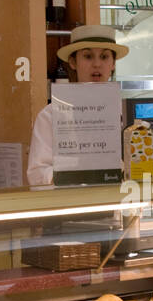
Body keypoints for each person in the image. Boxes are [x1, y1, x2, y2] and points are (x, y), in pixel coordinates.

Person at [26, 25, 129, 186]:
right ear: (73, 62)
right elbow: (37, 174)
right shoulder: (50, 115)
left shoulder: (126, 113)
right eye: (88, 56)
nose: (97, 64)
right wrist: (77, 169)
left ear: (113, 63)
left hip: (117, 204)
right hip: (71, 206)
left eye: (104, 56)